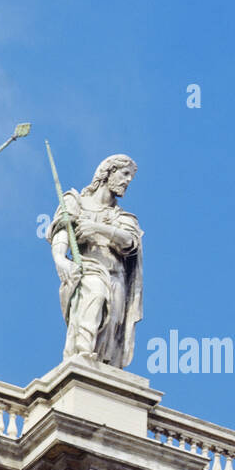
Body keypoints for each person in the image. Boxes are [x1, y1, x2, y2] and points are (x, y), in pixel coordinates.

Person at [49, 154, 143, 368]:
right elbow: (62, 230)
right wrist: (60, 259)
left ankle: (100, 374)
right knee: (94, 296)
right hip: (89, 270)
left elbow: (129, 241)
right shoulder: (76, 201)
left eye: (131, 177)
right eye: (124, 173)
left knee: (110, 336)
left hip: (117, 278)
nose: (128, 180)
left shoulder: (123, 217)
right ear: (108, 172)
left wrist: (97, 228)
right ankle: (82, 357)